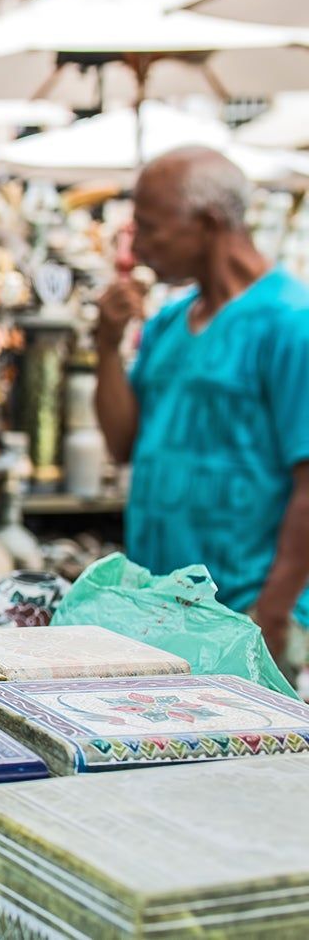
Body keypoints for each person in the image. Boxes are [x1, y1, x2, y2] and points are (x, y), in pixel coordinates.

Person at [95, 146, 309, 677]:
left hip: (247, 616)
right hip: (163, 612)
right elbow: (123, 444)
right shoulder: (169, 323)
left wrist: (276, 611)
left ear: (209, 224)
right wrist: (105, 345)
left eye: (149, 227)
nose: (138, 247)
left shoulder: (290, 323)